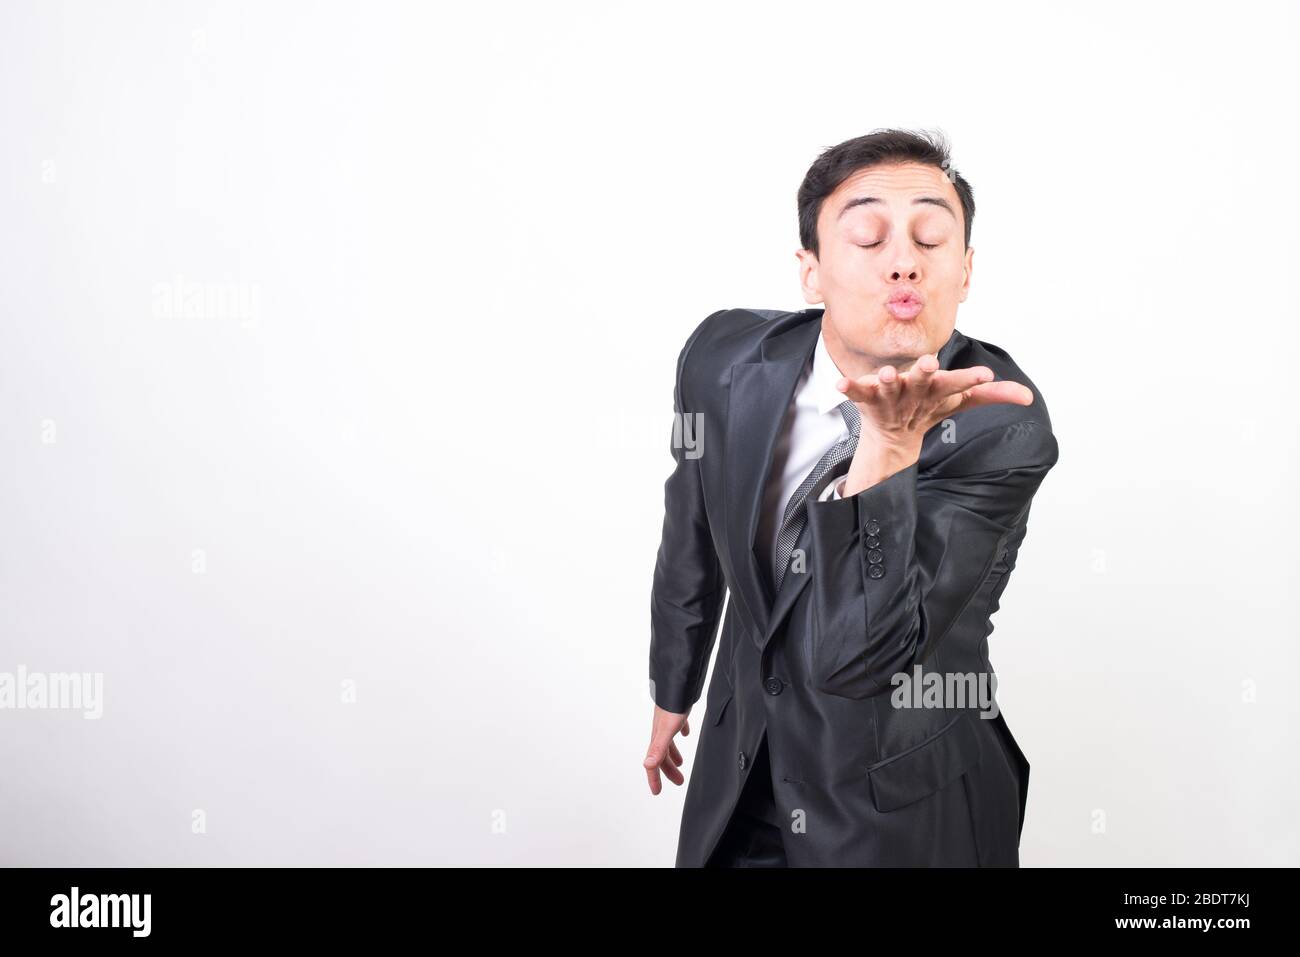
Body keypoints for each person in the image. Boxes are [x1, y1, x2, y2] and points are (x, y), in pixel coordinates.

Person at [643, 129, 1059, 867]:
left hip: (896, 800)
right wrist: (673, 686)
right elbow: (694, 521)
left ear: (965, 272)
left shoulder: (1005, 425)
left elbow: (860, 657)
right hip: (743, 765)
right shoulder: (720, 358)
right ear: (810, 272)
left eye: (932, 239)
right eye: (868, 237)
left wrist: (889, 448)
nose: (904, 260)